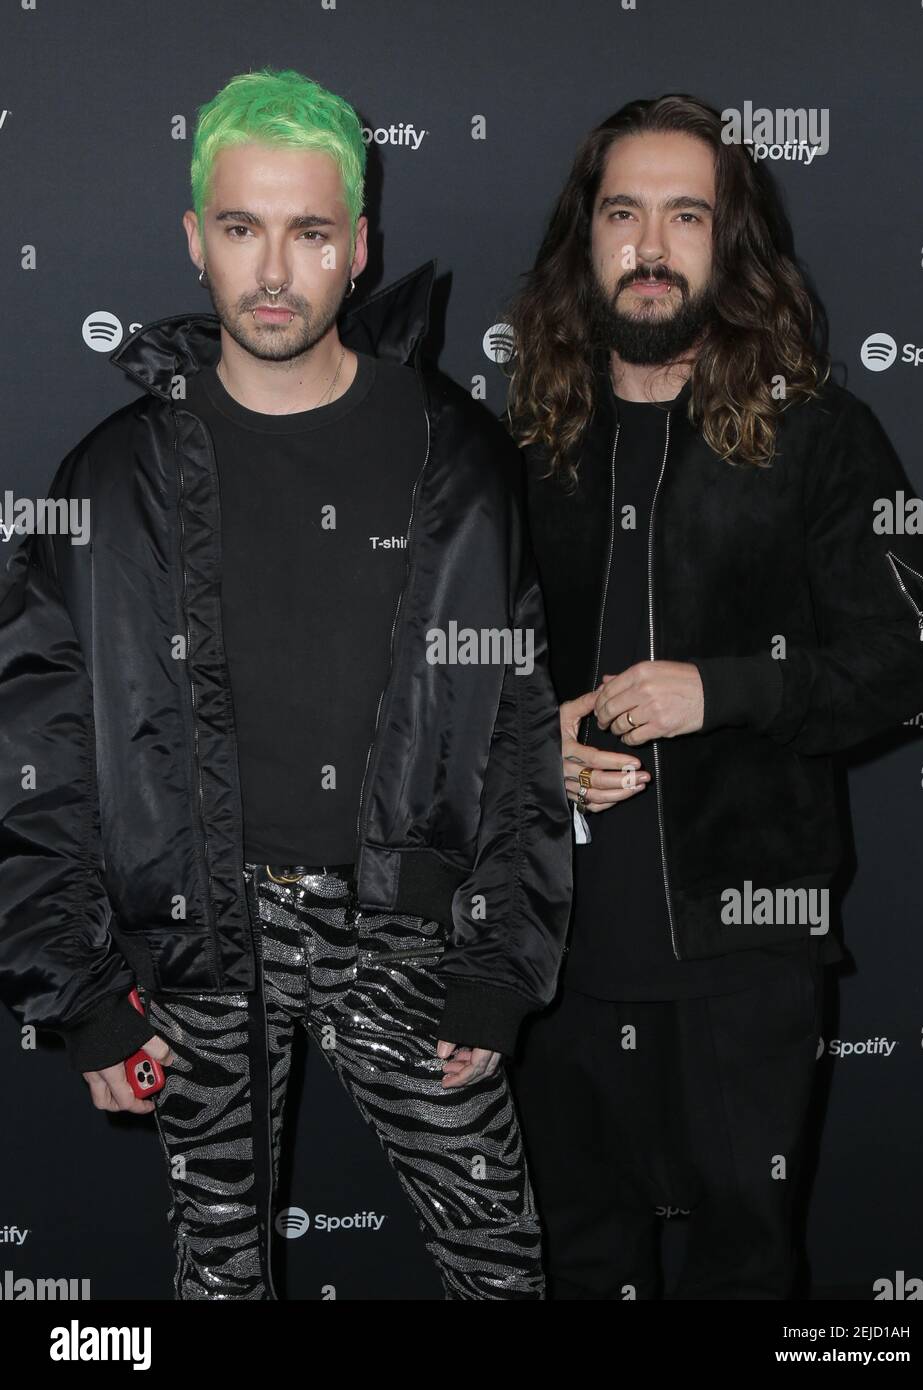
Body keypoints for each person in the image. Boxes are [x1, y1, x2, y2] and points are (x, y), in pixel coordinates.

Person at [0, 68, 571, 1300]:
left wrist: (495, 960)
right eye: (244, 227)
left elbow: (514, 721)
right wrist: (81, 994)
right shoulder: (108, 480)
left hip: (408, 929)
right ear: (194, 236)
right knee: (219, 1276)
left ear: (359, 248)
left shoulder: (458, 456)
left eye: (309, 231)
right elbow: (34, 746)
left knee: (500, 1265)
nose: (273, 269)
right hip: (200, 934)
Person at [504, 94, 923, 1299]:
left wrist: (727, 690)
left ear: (730, 241)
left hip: (745, 963)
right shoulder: (523, 441)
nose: (651, 245)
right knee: (577, 1264)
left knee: (742, 1273)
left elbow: (912, 659)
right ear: (583, 240)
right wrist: (523, 740)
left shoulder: (819, 437)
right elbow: (440, 676)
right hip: (550, 959)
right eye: (623, 213)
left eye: (685, 214)